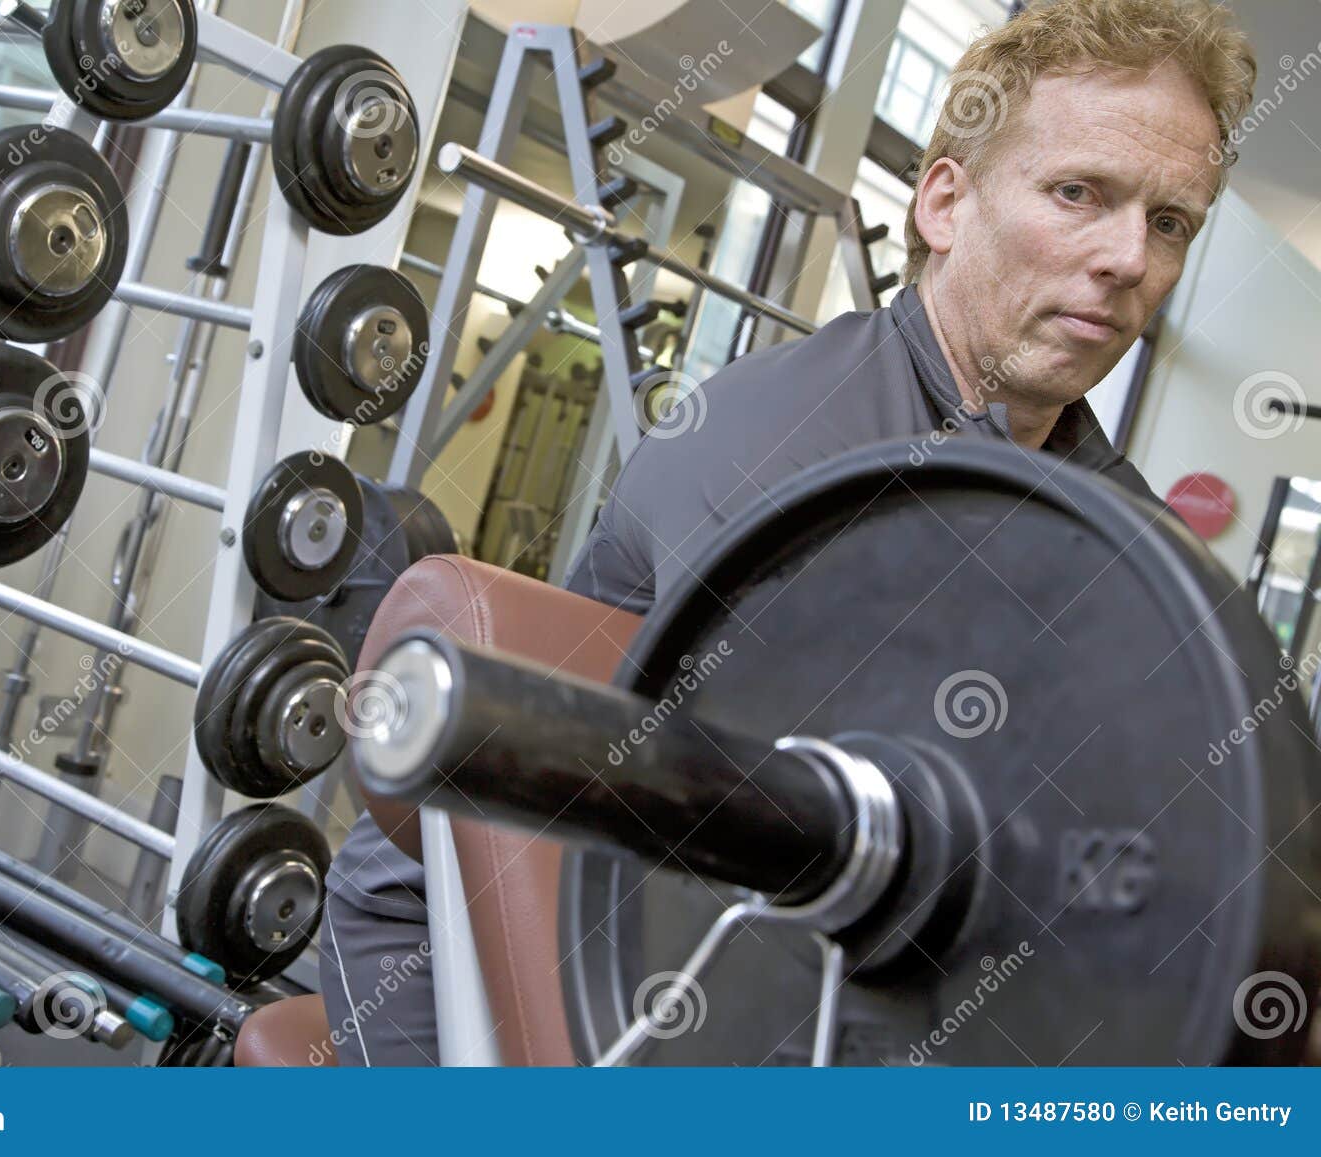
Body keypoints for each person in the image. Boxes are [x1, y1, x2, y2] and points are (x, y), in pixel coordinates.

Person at [317, 0, 1256, 1065]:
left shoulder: (1108, 513)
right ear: (945, 202)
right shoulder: (790, 450)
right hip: (497, 944)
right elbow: (792, 857)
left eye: (1168, 221)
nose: (1126, 256)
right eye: (1078, 193)